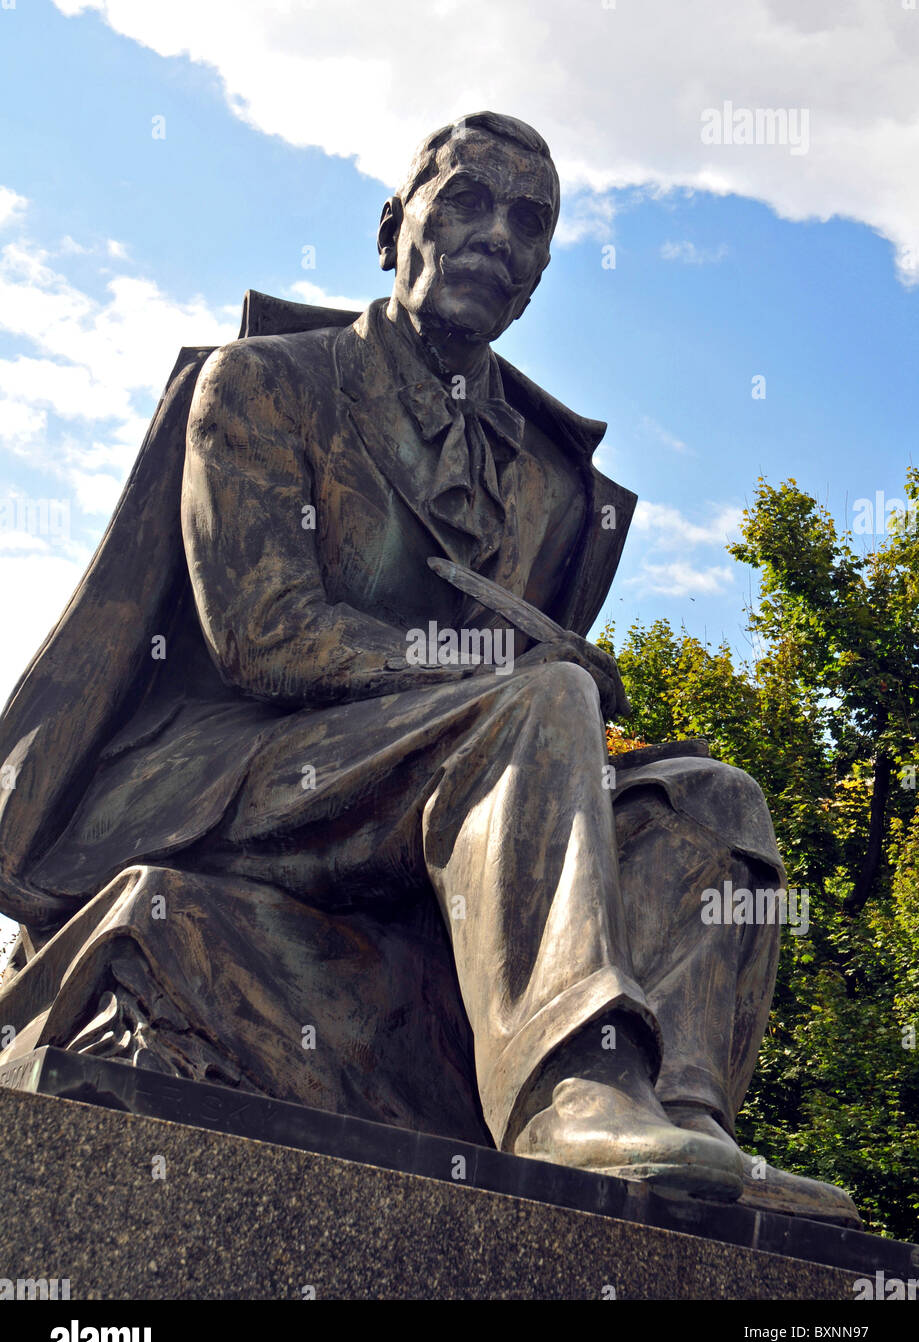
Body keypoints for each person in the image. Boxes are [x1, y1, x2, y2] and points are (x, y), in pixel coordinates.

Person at [0, 112, 857, 1224]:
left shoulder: (550, 485)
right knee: (533, 701)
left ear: (542, 273)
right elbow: (262, 633)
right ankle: (566, 1091)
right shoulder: (261, 386)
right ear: (389, 226)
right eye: (464, 202)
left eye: (529, 222)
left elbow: (524, 720)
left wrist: (557, 685)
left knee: (708, 798)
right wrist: (489, 666)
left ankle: (681, 1117)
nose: (496, 236)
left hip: (433, 777)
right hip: (248, 772)